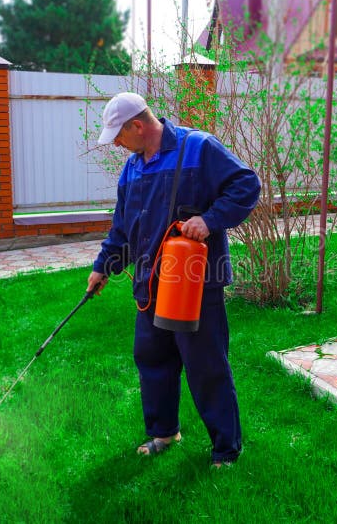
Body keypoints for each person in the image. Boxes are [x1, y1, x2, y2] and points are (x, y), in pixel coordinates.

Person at [86, 92, 260, 467]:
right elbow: (123, 226)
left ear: (138, 125)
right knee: (152, 359)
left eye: (119, 135)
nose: (116, 143)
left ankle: (226, 450)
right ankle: (164, 432)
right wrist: (104, 265)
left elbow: (247, 184)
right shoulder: (132, 168)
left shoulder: (198, 148)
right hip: (150, 283)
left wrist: (210, 220)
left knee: (206, 366)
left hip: (193, 283)